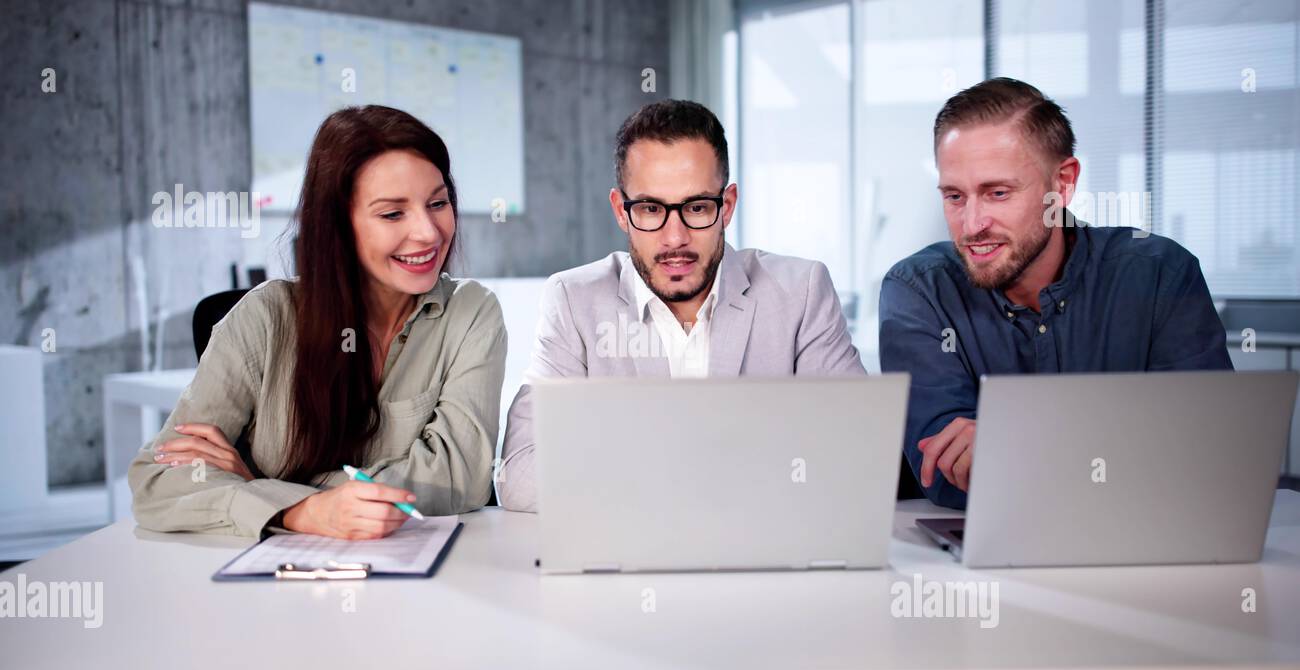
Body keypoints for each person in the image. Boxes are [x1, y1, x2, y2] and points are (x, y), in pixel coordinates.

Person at [129, 105, 507, 539]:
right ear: (338, 226)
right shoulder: (263, 318)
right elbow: (159, 482)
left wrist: (268, 493)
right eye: (392, 214)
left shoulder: (471, 313)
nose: (428, 232)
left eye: (438, 203)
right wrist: (305, 511)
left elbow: (460, 479)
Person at [496, 99, 865, 513]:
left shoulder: (801, 292)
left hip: (760, 554)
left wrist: (616, 459)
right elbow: (520, 478)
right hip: (629, 560)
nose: (675, 238)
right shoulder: (574, 301)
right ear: (622, 210)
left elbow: (853, 456)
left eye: (696, 208)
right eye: (651, 209)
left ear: (726, 206)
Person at [879, 78, 1231, 510]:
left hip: (1147, 540)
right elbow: (944, 470)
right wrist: (1119, 447)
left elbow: (1207, 449)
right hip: (984, 556)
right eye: (955, 196)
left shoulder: (1160, 274)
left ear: (1062, 184)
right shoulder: (919, 289)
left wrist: (1007, 441)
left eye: (998, 193)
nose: (971, 225)